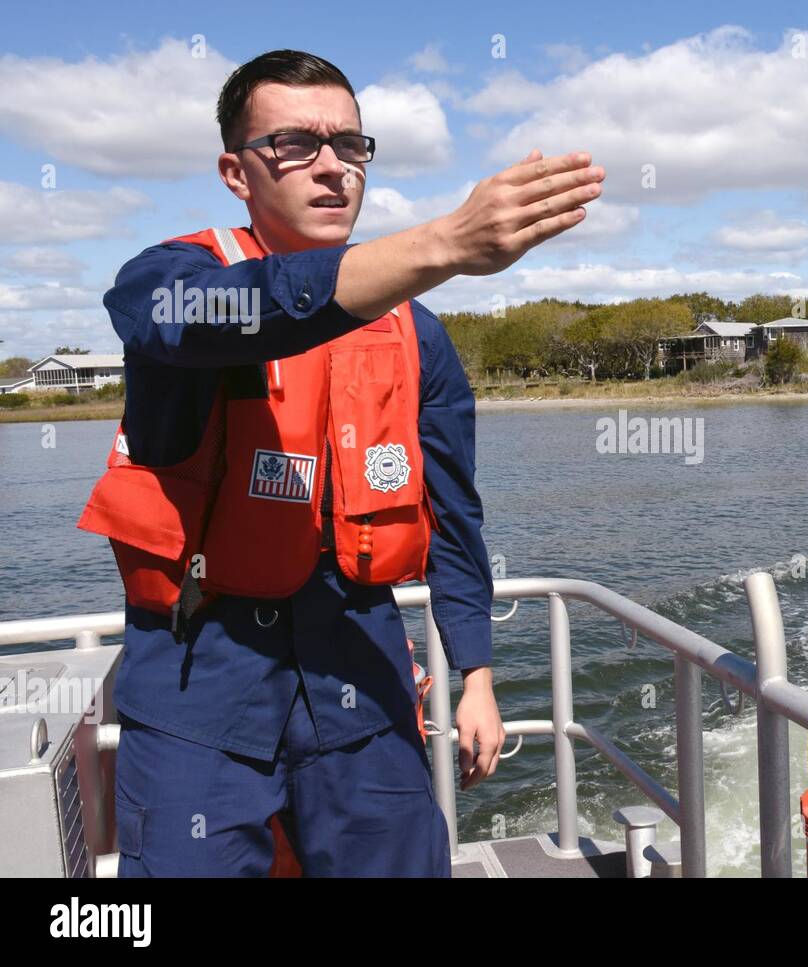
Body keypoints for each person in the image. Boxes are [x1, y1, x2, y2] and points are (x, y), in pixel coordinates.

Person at [78, 49, 604, 876]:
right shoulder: (172, 280)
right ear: (234, 170)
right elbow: (217, 316)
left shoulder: (417, 335)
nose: (332, 170)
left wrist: (475, 675)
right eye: (294, 144)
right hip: (197, 698)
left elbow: (454, 520)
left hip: (359, 687)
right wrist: (445, 241)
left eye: (351, 147)